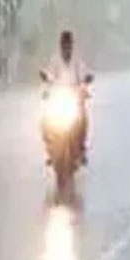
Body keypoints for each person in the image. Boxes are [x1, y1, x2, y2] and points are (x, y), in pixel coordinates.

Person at [43, 29, 91, 164]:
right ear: (60, 46)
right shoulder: (55, 60)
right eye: (64, 45)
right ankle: (50, 149)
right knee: (45, 121)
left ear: (72, 45)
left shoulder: (77, 60)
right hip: (59, 99)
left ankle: (81, 148)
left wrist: (85, 86)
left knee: (83, 118)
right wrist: (46, 87)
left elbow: (84, 75)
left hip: (74, 99)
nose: (66, 48)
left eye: (68, 45)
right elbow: (50, 76)